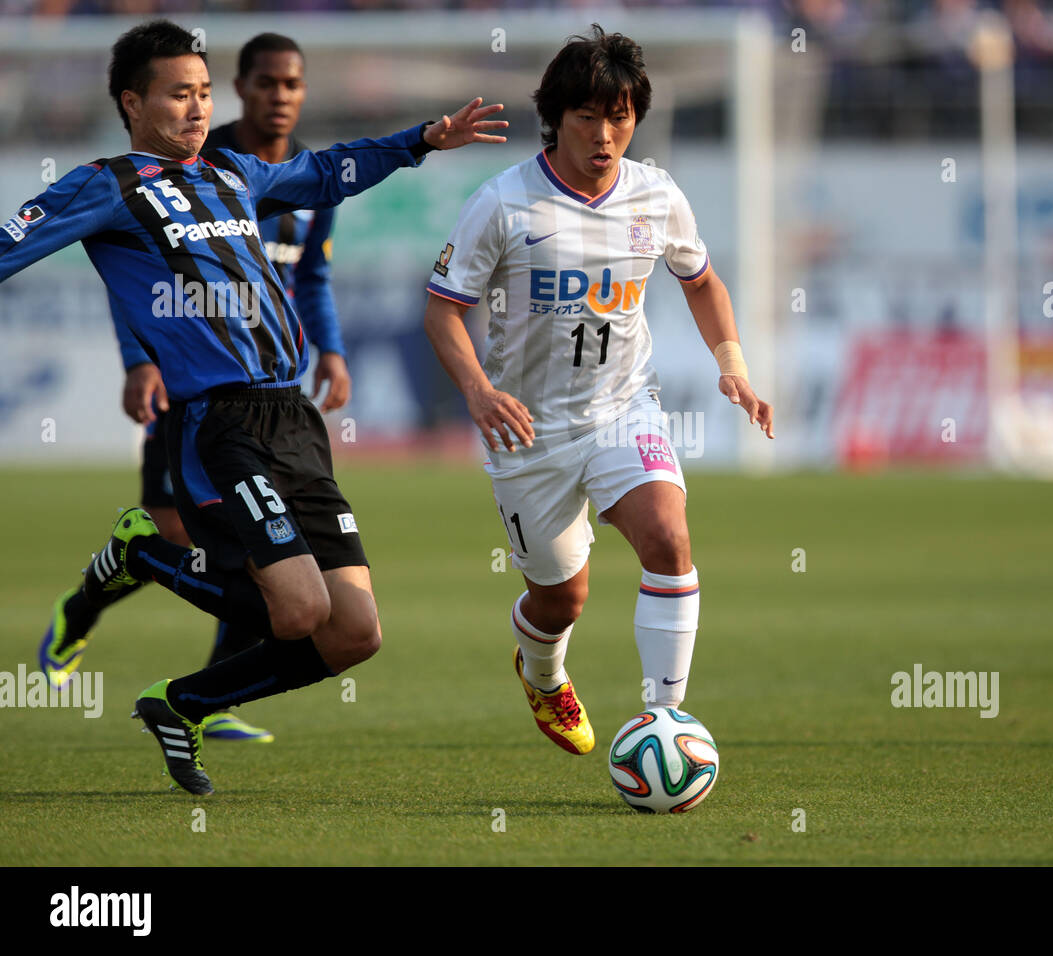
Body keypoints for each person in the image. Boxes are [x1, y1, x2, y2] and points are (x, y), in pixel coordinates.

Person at [1, 19, 506, 794]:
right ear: (133, 103)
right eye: (179, 95)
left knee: (356, 634)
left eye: (204, 93)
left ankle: (183, 702)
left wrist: (423, 140)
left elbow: (330, 170)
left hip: (294, 419)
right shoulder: (104, 186)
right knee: (297, 610)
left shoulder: (234, 173)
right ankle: (141, 552)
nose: (197, 108)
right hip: (220, 426)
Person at [423, 24, 773, 756]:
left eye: (620, 116)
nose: (605, 133)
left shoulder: (656, 197)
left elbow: (702, 281)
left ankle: (665, 723)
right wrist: (481, 393)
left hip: (621, 410)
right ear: (557, 119)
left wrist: (732, 365)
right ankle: (543, 672)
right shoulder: (503, 204)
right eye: (588, 116)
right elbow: (442, 311)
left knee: (669, 540)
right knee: (562, 598)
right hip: (529, 432)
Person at [39, 32, 351, 746]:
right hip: (196, 387)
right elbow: (137, 273)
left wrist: (328, 347)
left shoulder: (298, 182)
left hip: (275, 397)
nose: (281, 96)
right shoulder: (194, 164)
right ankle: (94, 604)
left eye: (294, 85)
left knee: (270, 563)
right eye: (267, 83)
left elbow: (312, 279)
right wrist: (137, 358)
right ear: (244, 86)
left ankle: (211, 691)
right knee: (183, 530)